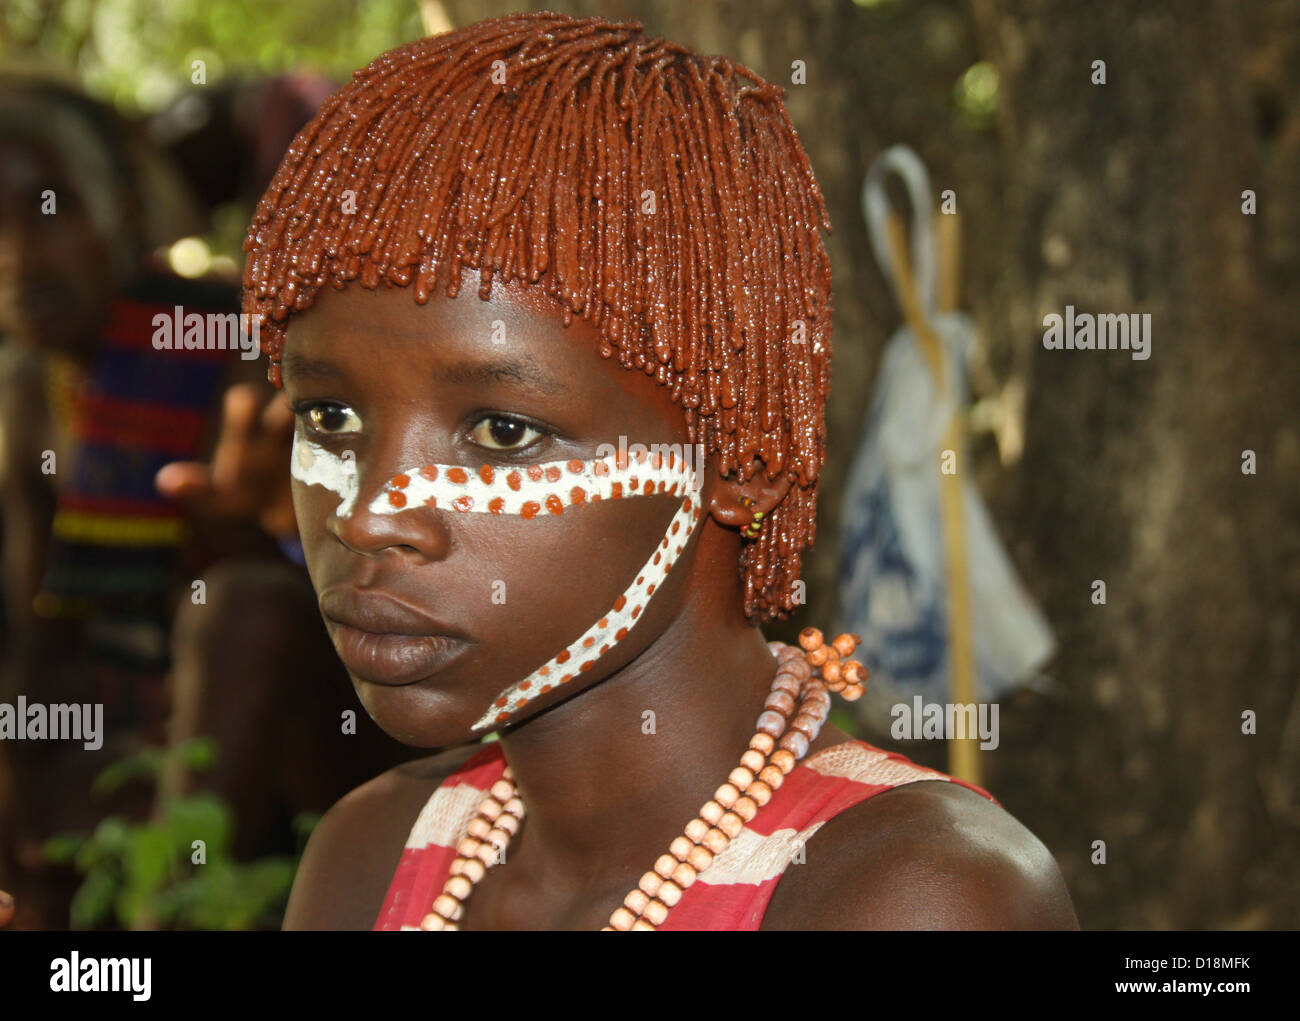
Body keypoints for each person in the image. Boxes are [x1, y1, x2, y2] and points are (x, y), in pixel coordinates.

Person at [243, 11, 1079, 930]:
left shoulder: (912, 895)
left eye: (504, 432)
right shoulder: (374, 858)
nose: (369, 515)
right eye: (331, 416)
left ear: (742, 463)